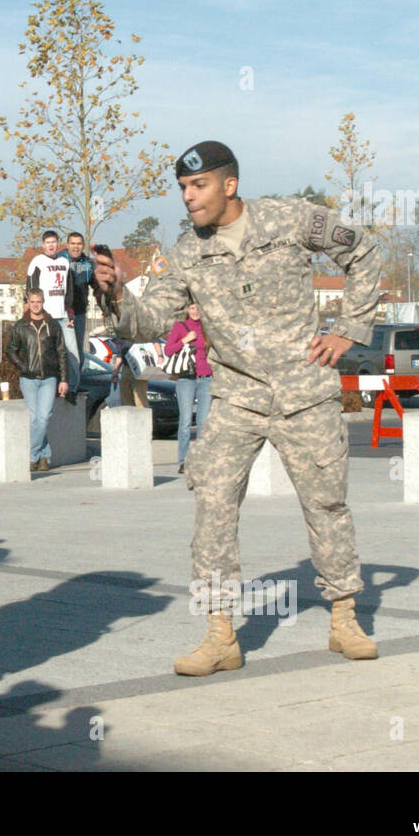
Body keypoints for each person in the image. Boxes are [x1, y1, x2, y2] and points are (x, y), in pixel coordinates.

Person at [92, 140, 381, 676]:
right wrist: (113, 294)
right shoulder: (186, 251)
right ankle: (220, 633)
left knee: (326, 506)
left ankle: (344, 618)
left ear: (230, 185)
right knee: (214, 508)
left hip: (305, 393)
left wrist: (349, 328)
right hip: (236, 397)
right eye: (182, 188)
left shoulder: (292, 218)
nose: (188, 198)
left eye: (197, 186)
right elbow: (152, 318)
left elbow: (363, 251)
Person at [6, 289, 70, 471]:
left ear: (43, 302)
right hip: (28, 378)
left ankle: (31, 455)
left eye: (39, 301)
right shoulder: (20, 326)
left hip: (49, 378)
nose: (35, 305)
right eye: (32, 301)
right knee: (35, 418)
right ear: (28, 302)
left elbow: (62, 353)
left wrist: (64, 379)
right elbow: (10, 350)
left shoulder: (53, 326)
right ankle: (44, 456)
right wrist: (23, 366)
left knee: (43, 417)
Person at [164, 302, 213, 473]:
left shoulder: (208, 327)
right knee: (185, 422)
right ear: (187, 309)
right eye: (192, 308)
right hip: (186, 379)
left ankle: (201, 460)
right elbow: (168, 351)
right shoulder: (180, 326)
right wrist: (185, 340)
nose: (195, 311)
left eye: (198, 307)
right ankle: (183, 461)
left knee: (203, 422)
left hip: (206, 378)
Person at [57, 232, 93, 395]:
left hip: (79, 313)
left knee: (77, 352)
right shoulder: (59, 260)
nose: (76, 246)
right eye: (73, 243)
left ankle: (73, 388)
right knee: (61, 350)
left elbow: (98, 287)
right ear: (67, 244)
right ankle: (59, 384)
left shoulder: (88, 264)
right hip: (59, 312)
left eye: (79, 243)